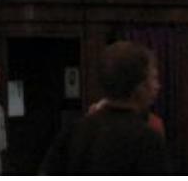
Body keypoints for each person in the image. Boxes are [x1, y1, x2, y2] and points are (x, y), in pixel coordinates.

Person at [43, 41, 168, 175]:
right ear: (139, 87)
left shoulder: (72, 132)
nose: (157, 86)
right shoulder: (148, 140)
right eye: (152, 79)